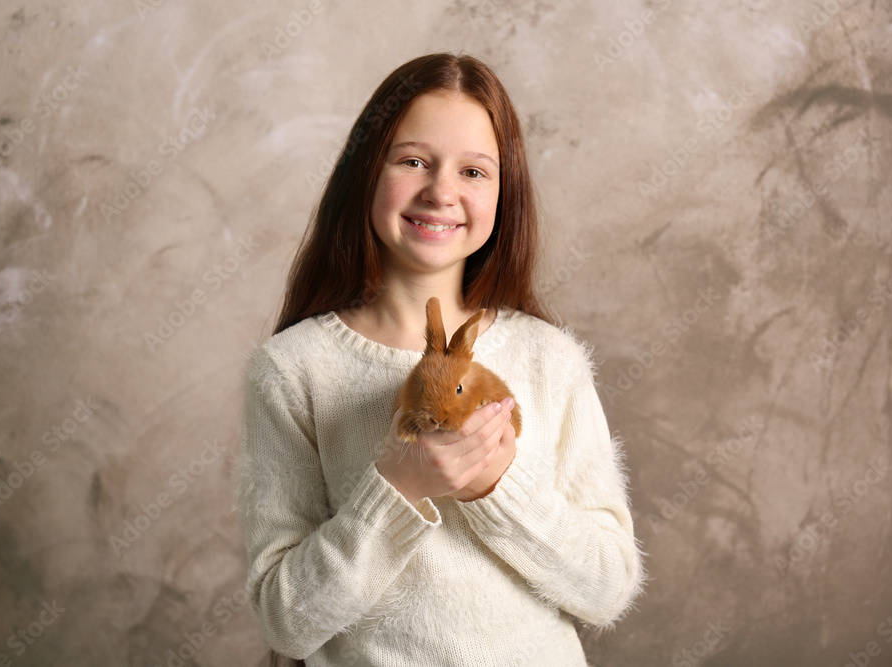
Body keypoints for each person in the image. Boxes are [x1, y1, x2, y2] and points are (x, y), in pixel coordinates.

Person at [238, 52, 644, 667]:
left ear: (505, 195)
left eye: (475, 172)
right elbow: (285, 623)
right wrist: (398, 487)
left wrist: (499, 489)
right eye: (413, 161)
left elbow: (606, 590)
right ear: (364, 175)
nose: (441, 192)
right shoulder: (292, 371)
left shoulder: (551, 360)